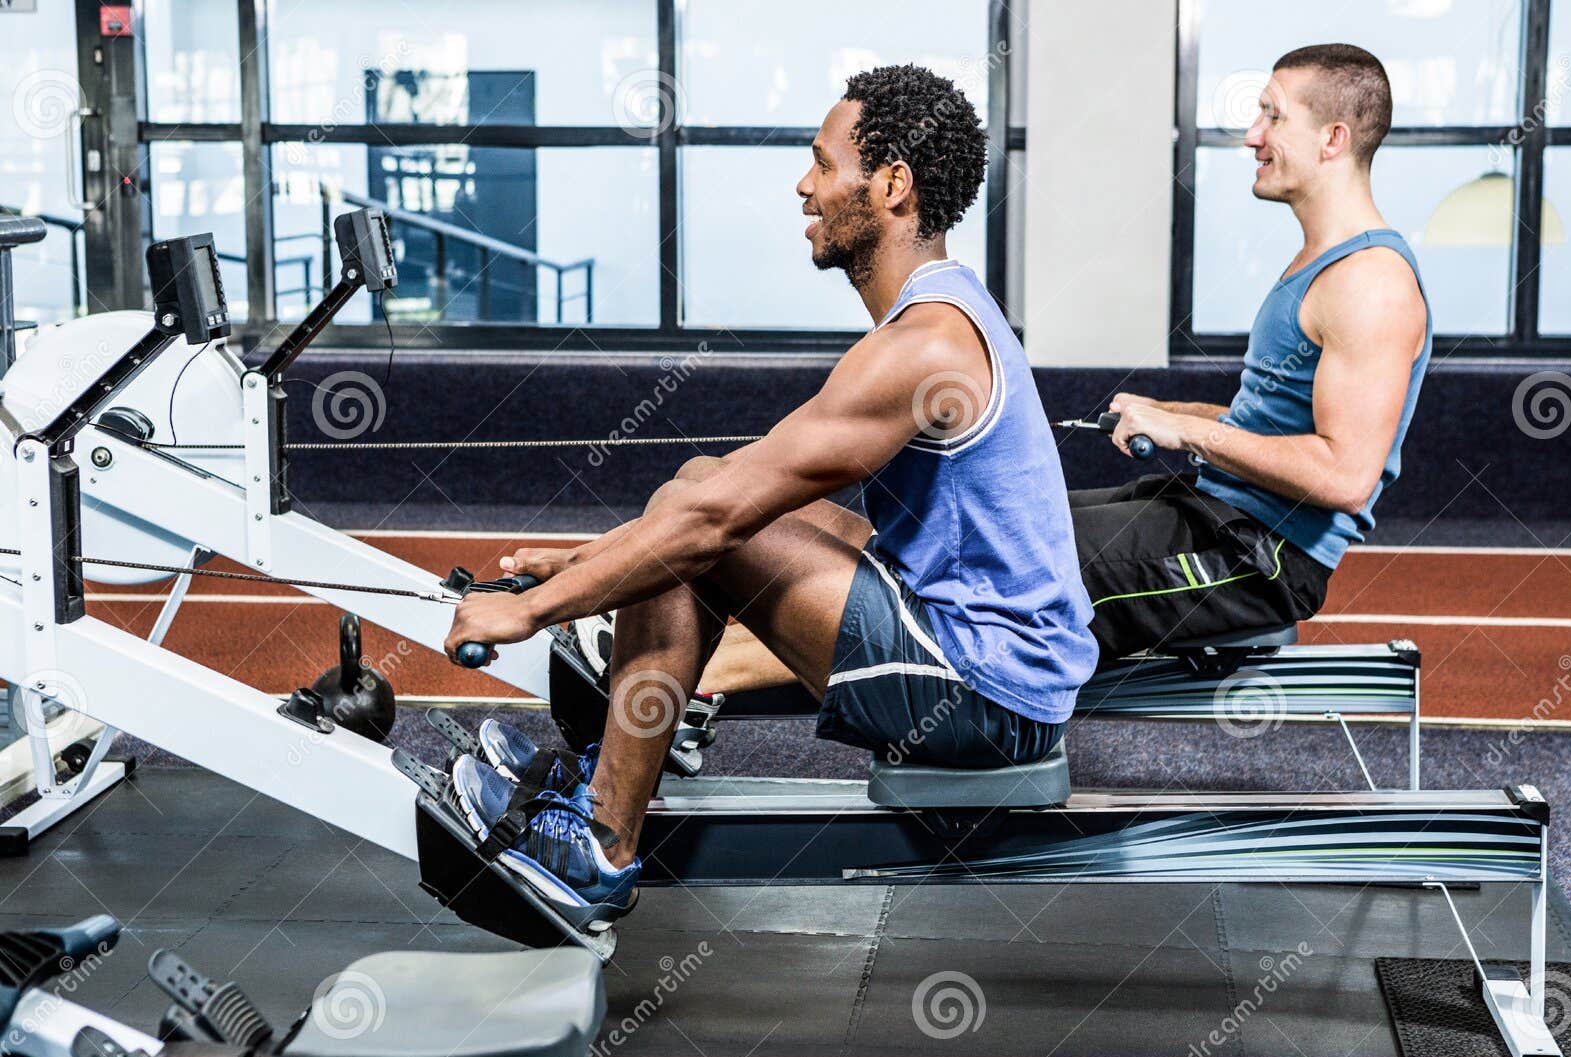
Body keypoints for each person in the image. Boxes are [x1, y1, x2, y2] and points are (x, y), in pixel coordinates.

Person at [442, 65, 1099, 931]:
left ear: (891, 185)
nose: (805, 185)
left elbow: (719, 518)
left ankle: (599, 843)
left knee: (703, 519)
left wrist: (532, 613)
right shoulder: (942, 311)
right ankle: (613, 772)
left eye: (823, 165)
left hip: (989, 691)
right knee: (707, 490)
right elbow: (764, 482)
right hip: (993, 661)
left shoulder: (924, 344)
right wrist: (592, 559)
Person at [651, 40, 1432, 689]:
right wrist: (1181, 417)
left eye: (1272, 116)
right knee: (985, 539)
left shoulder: (1370, 284)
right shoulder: (1321, 262)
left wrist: (1187, 433)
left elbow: (1343, 475)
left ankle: (690, 679)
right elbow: (1277, 424)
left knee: (1002, 582)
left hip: (1257, 556)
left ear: (1334, 138)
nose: (1252, 135)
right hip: (1211, 508)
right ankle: (690, 650)